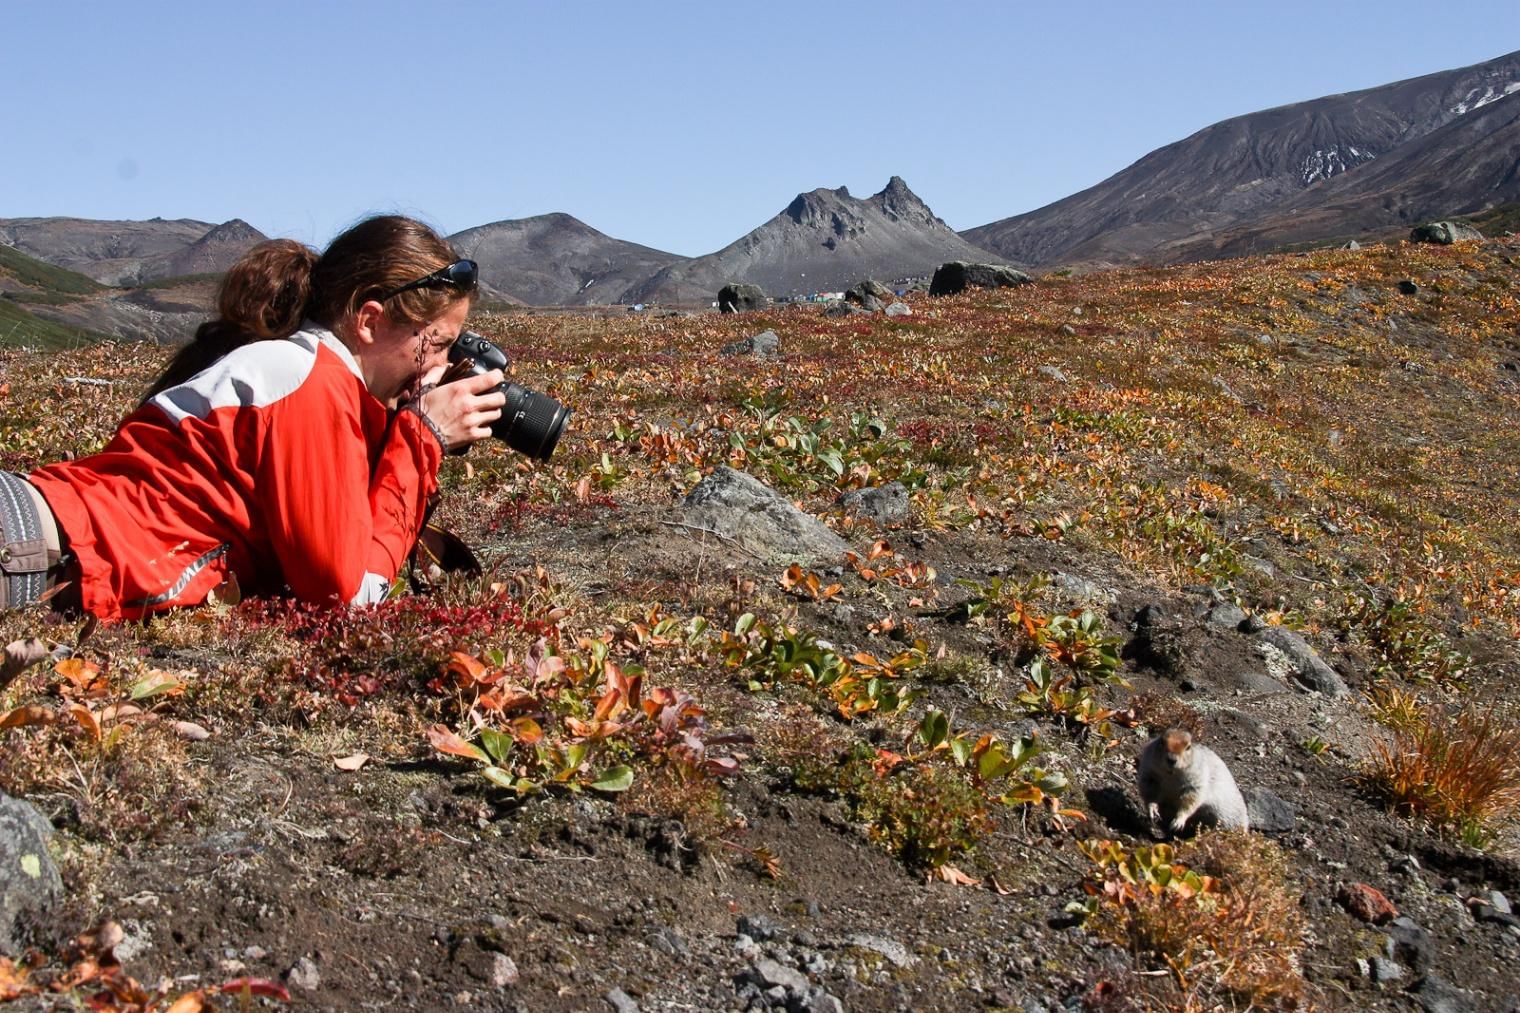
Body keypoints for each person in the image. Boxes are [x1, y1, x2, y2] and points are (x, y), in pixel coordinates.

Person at [0, 215, 507, 621]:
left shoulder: (307, 373)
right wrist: (423, 437)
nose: (440, 368)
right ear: (369, 321)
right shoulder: (312, 384)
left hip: (41, 536)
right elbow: (348, 598)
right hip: (33, 546)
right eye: (436, 344)